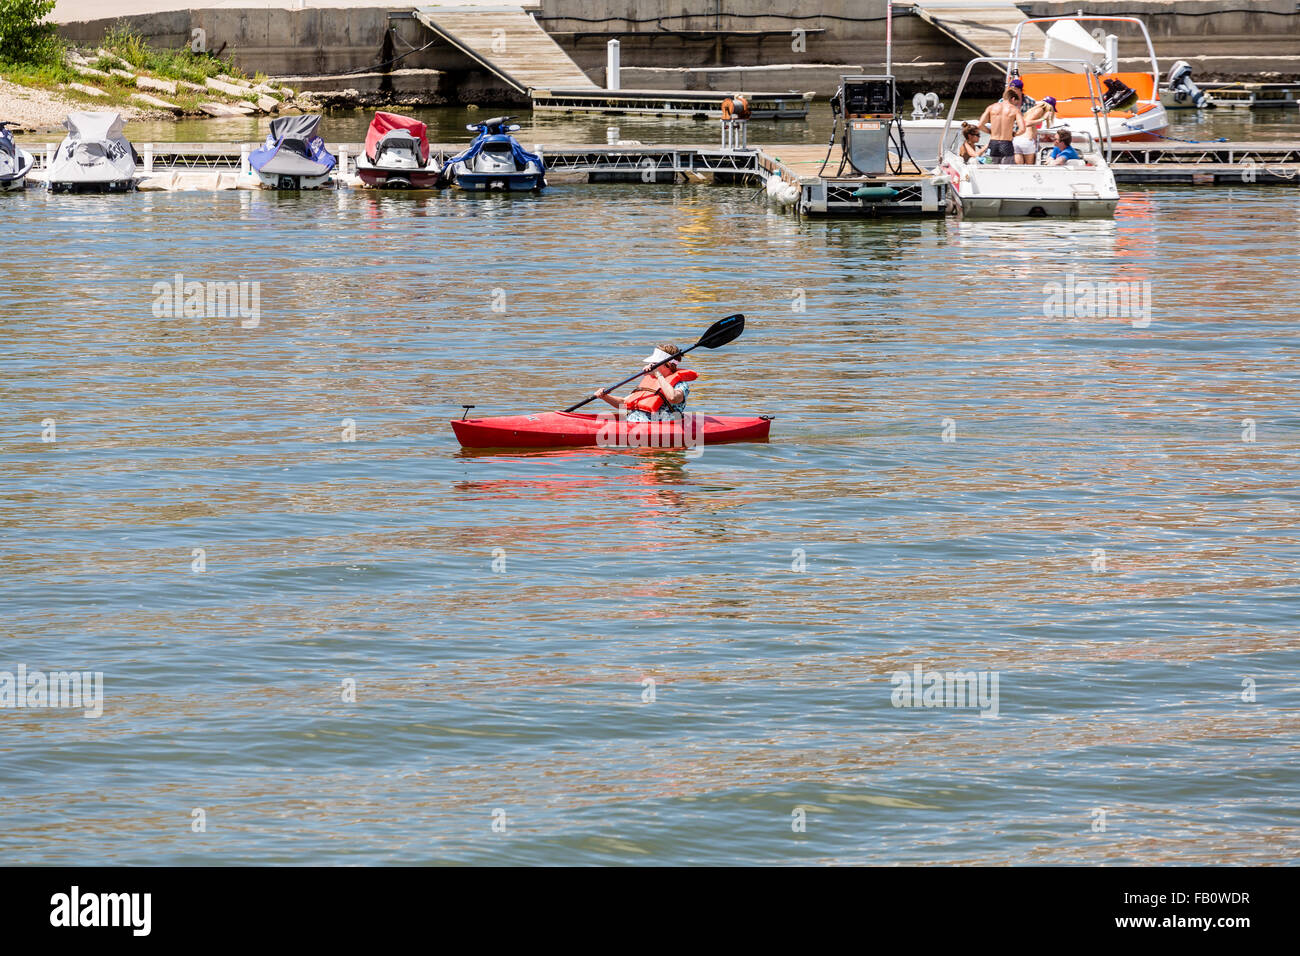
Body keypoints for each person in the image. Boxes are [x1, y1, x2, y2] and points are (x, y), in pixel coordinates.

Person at [596, 344, 699, 422]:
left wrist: (658, 375)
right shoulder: (650, 381)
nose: (650, 365)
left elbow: (673, 397)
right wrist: (605, 396)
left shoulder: (681, 384)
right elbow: (624, 404)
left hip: (661, 428)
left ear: (667, 364)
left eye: (654, 363)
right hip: (632, 423)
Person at [977, 87, 1024, 165]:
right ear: (1012, 99)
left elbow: (980, 125)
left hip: (993, 144)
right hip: (1007, 144)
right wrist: (1014, 134)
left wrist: (990, 132)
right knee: (1007, 170)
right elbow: (1022, 129)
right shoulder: (1014, 110)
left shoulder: (991, 107)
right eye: (1015, 102)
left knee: (989, 167)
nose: (1015, 104)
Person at [1014, 95, 1056, 165]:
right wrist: (1042, 119)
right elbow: (1026, 123)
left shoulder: (1033, 110)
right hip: (1026, 141)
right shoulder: (1040, 110)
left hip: (1018, 140)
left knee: (1018, 168)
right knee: (1030, 167)